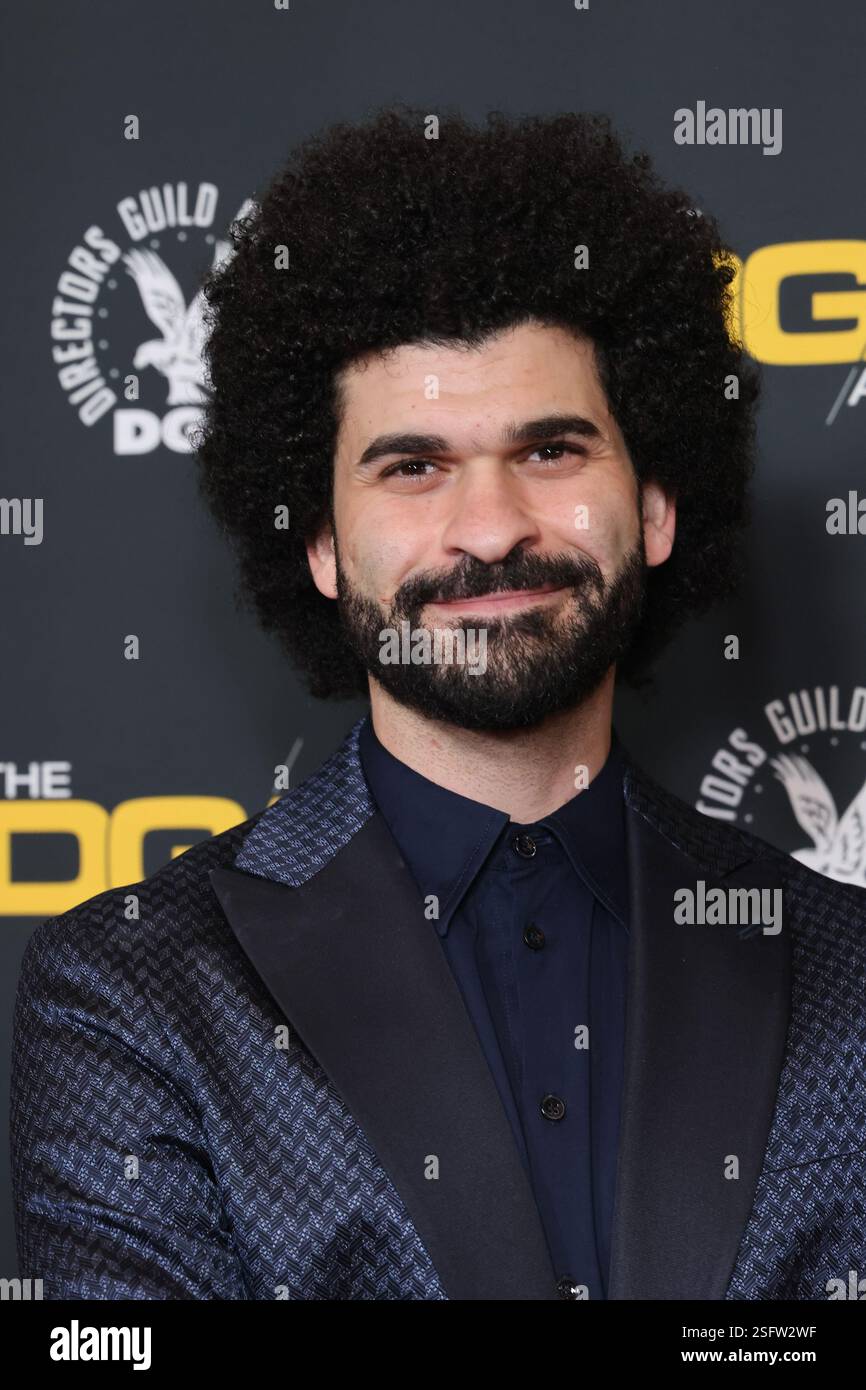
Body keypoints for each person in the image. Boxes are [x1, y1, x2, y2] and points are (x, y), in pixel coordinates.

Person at [11, 105, 865, 1300]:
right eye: (412, 467)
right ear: (317, 543)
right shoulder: (135, 990)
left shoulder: (842, 970)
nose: (490, 527)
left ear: (657, 506)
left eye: (552, 451)